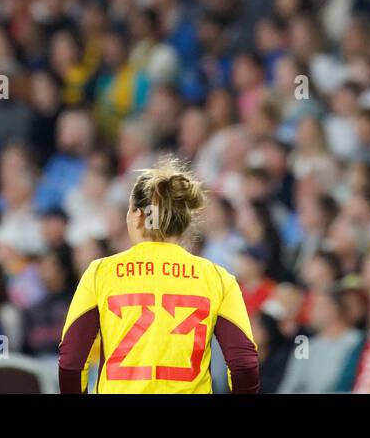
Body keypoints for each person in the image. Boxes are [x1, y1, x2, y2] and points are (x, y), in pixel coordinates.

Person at [57, 158, 258, 393]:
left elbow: (71, 361)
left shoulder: (100, 273)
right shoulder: (218, 278)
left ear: (139, 215)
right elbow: (244, 365)